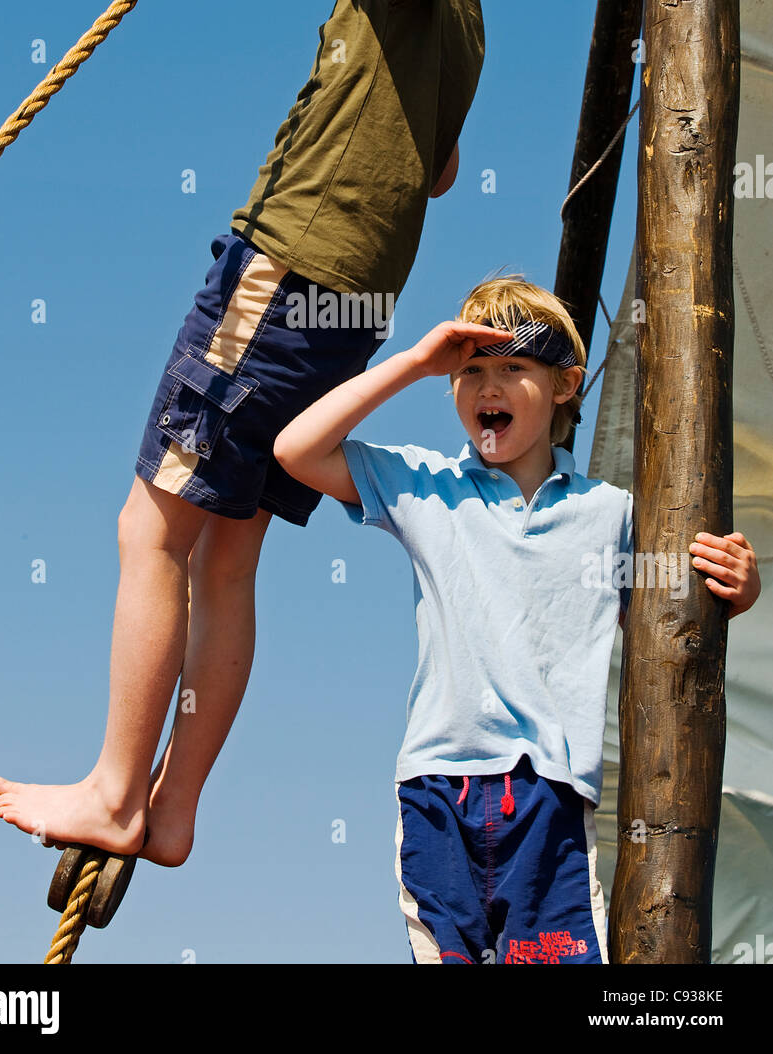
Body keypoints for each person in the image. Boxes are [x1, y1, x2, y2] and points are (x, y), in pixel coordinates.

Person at [0, 0, 486, 867]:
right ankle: (172, 810)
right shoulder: (436, 9)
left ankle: (120, 790)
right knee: (224, 557)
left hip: (281, 281)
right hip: (344, 311)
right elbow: (439, 169)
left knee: (148, 527)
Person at [273, 276, 761, 963]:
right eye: (469, 373)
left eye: (511, 369)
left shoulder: (612, 513)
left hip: (553, 800)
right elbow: (295, 448)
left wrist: (737, 588)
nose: (486, 389)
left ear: (565, 386)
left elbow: (680, 610)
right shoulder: (425, 487)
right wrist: (416, 361)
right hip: (438, 787)